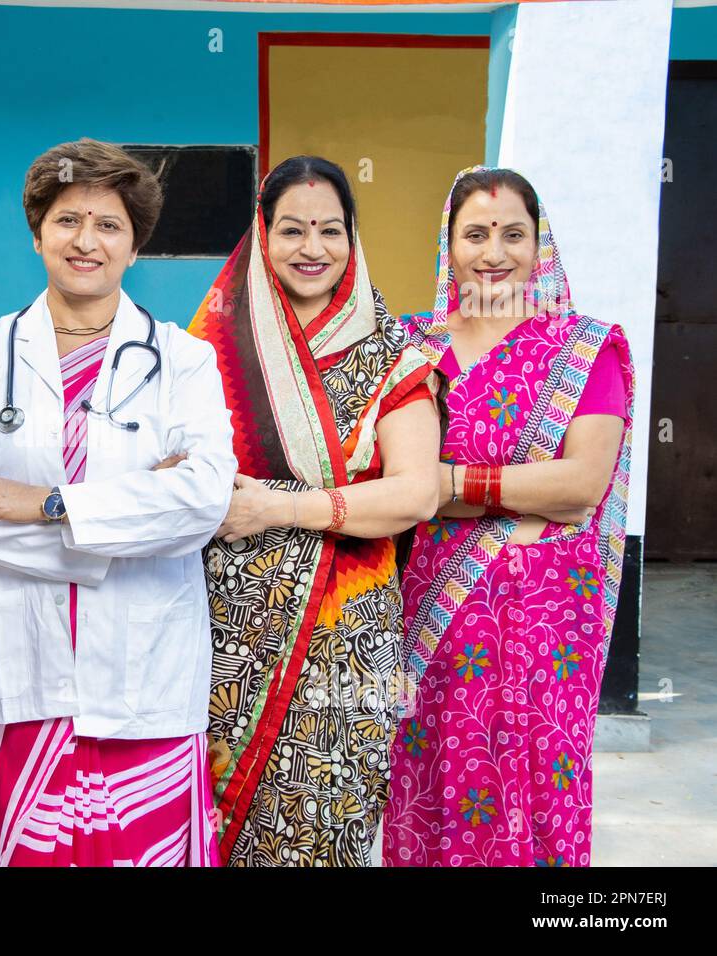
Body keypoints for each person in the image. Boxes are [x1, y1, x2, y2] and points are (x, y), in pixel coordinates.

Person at [0, 138, 236, 866]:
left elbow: (202, 500)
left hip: (146, 683)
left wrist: (47, 504)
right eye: (68, 220)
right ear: (38, 234)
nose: (86, 241)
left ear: (134, 247)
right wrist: (132, 518)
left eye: (109, 225)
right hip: (22, 681)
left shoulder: (183, 360)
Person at [189, 155, 440, 866]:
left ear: (352, 241)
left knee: (329, 809)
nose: (312, 248)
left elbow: (415, 493)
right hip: (224, 625)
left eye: (330, 230)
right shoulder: (208, 348)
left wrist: (278, 507)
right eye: (292, 229)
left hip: (346, 631)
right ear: (262, 236)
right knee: (221, 808)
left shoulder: (394, 357)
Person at [384, 167, 633, 867]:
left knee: (540, 769)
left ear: (539, 245)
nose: (494, 253)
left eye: (513, 234)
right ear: (449, 245)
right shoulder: (410, 345)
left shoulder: (586, 349)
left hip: (548, 612)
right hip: (435, 604)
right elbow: (396, 480)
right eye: (476, 234)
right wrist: (521, 488)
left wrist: (449, 482)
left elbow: (581, 484)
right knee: (436, 770)